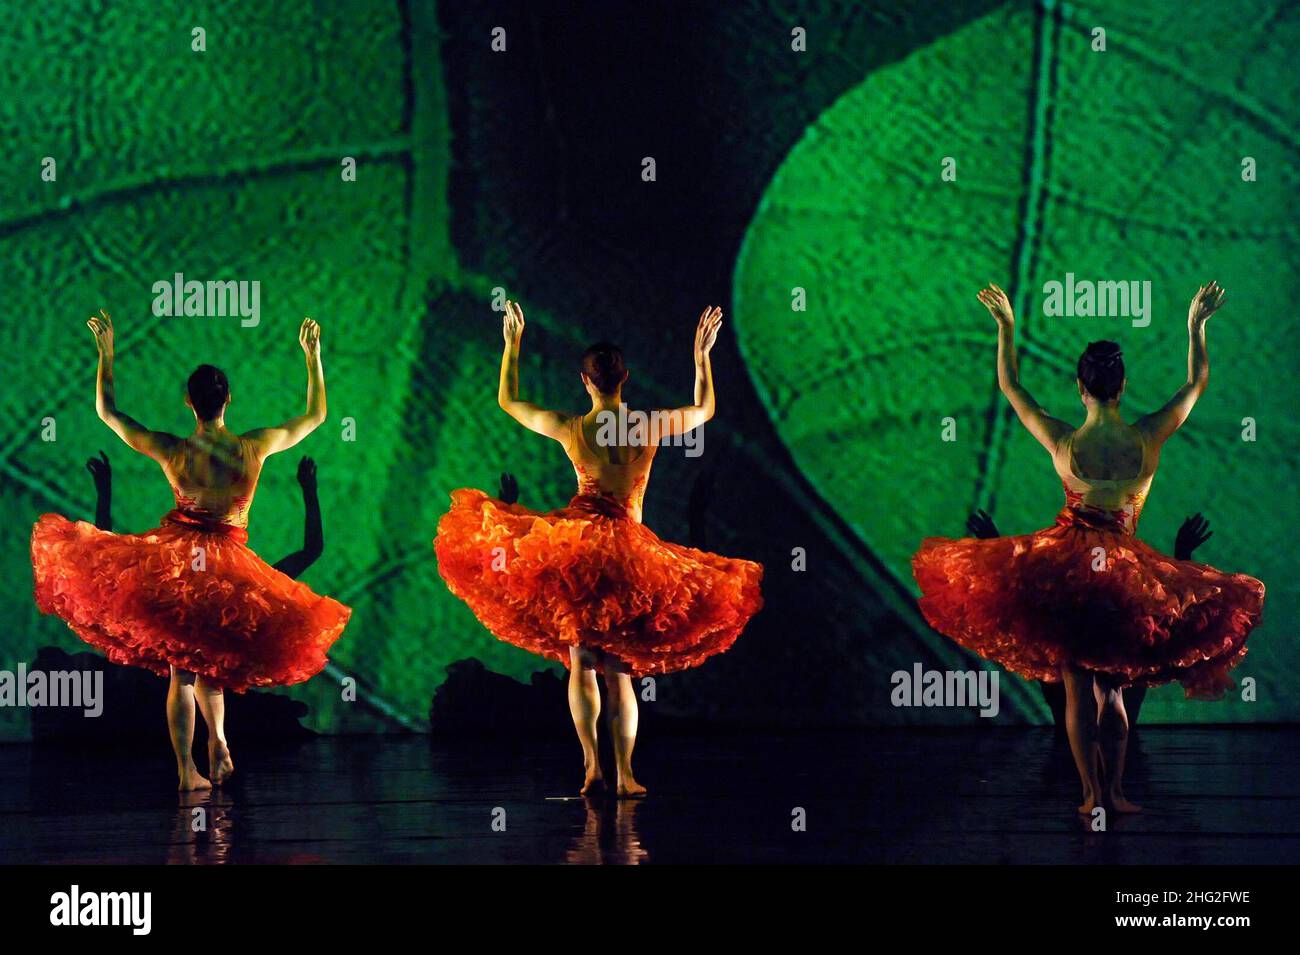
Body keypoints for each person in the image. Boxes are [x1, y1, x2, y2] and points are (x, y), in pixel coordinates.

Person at [913, 283, 1264, 814]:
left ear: (1081, 387)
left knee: (1077, 688)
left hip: (1068, 570)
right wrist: (1197, 326)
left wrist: (1006, 327)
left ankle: (1089, 794)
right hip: (1125, 574)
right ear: (1122, 387)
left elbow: (1012, 388)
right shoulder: (1146, 438)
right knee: (1113, 690)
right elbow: (1195, 384)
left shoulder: (1064, 443)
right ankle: (1116, 792)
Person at [434, 302, 763, 797]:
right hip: (633, 559)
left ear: (585, 381)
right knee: (620, 672)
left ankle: (592, 768)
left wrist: (512, 343)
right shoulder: (649, 426)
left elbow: (509, 401)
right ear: (624, 378)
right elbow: (703, 411)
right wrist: (702, 357)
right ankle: (626, 774)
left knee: (582, 659)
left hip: (580, 551)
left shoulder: (571, 427)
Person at [32, 311, 351, 791]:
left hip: (178, 565)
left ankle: (189, 770)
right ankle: (217, 741)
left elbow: (109, 414)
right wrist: (313, 358)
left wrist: (107, 355)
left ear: (189, 402)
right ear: (228, 399)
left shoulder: (174, 451)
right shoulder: (253, 448)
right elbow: (316, 416)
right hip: (229, 566)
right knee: (212, 667)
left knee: (182, 673)